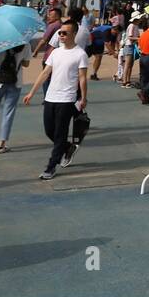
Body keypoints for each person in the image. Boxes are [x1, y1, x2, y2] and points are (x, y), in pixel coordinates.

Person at [24, 20, 88, 180]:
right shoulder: (55, 52)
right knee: (49, 130)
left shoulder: (80, 54)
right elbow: (45, 73)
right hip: (50, 97)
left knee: (60, 133)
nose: (61, 35)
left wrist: (84, 98)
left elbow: (82, 78)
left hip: (67, 99)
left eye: (64, 33)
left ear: (74, 34)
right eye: (60, 32)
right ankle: (68, 147)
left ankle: (51, 167)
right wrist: (32, 92)